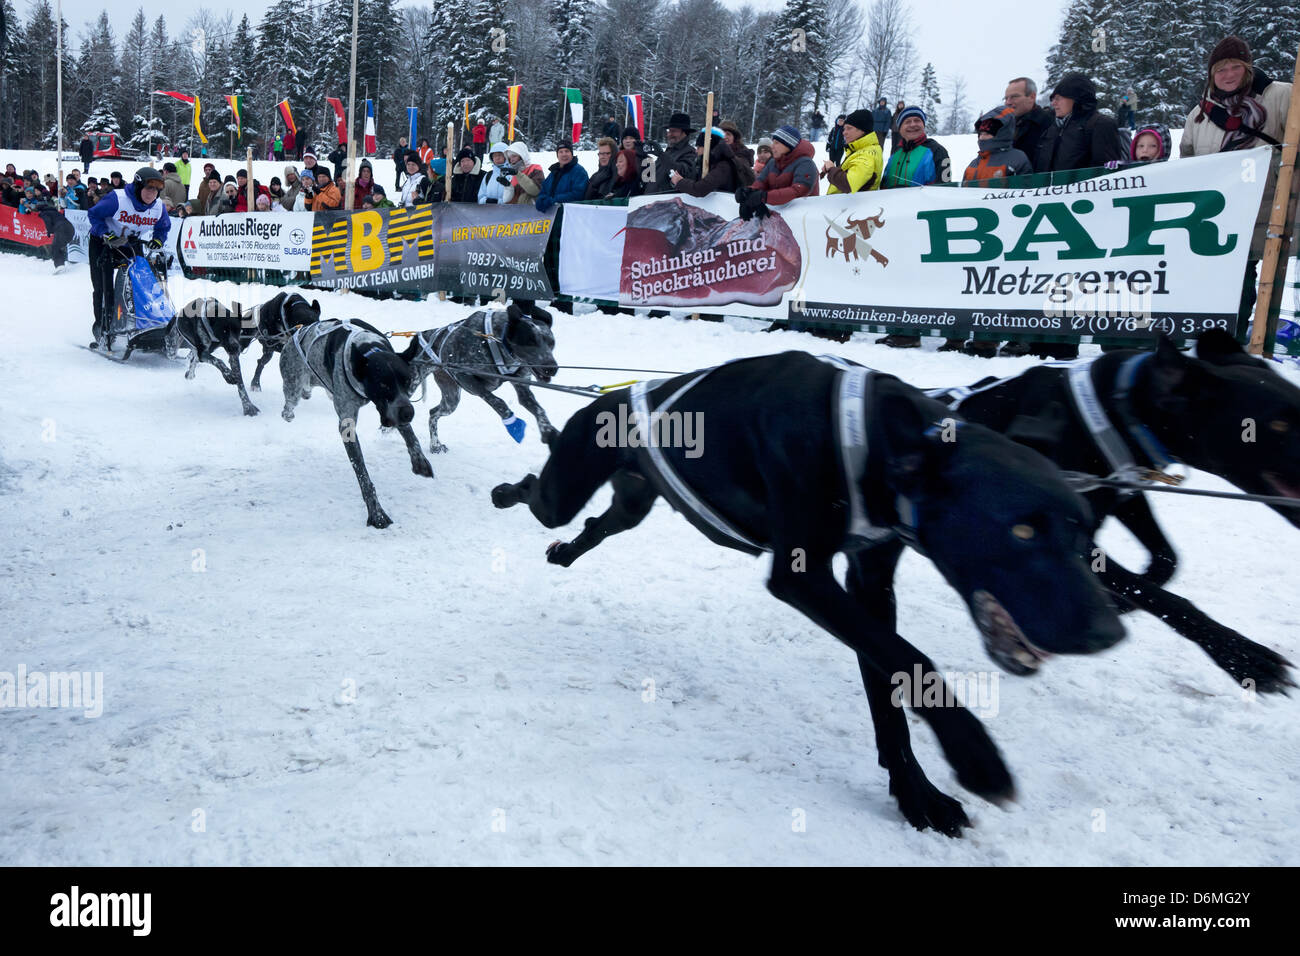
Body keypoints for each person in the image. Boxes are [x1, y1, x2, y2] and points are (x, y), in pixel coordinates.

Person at [1180, 35, 1293, 329]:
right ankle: (1225, 337)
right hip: (1219, 216)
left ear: (1248, 68)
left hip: (1270, 211)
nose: (1228, 75)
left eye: (1235, 67)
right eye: (1220, 69)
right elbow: (1188, 164)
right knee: (1224, 282)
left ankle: (1252, 340)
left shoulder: (1280, 96)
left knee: (1262, 279)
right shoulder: (1199, 115)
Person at [86, 166, 171, 348]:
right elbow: (93, 214)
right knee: (104, 288)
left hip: (131, 244)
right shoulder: (117, 199)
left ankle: (145, 325)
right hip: (103, 243)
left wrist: (158, 239)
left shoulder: (157, 206)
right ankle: (103, 329)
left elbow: (164, 226)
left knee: (142, 284)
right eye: (149, 188)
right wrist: (105, 233)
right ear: (139, 187)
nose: (152, 193)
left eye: (156, 190)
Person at [1036, 72, 1123, 174]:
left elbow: (1107, 175)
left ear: (1076, 99)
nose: (1053, 103)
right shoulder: (1052, 128)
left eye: (1058, 98)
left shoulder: (1100, 125)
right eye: (1053, 99)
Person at [741, 125, 818, 208]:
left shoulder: (806, 163)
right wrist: (749, 191)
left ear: (789, 145)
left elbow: (798, 191)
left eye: (776, 143)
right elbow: (761, 182)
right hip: (780, 213)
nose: (772, 146)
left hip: (803, 217)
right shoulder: (773, 162)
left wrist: (765, 197)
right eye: (772, 142)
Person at [669, 126, 752, 197]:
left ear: (708, 147)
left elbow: (700, 189)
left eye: (698, 147)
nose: (696, 151)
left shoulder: (723, 165)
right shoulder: (712, 162)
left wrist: (680, 182)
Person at [881, 106, 951, 188]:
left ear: (923, 125)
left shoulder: (937, 151)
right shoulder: (895, 153)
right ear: (900, 129)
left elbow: (944, 190)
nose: (913, 124)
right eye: (907, 122)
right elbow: (883, 188)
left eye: (917, 120)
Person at [820, 109, 882, 194]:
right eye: (844, 129)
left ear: (862, 130)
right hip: (846, 204)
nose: (844, 133)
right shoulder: (859, 149)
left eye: (849, 128)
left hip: (851, 206)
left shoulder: (867, 154)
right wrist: (833, 169)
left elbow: (849, 183)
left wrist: (831, 169)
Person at [1004, 77, 1052, 168]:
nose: (1008, 102)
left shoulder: (1049, 125)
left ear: (1032, 97)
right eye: (1006, 98)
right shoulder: (1002, 126)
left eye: (1014, 97)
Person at [648, 112, 696, 194]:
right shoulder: (669, 151)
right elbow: (650, 175)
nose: (669, 134)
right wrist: (640, 156)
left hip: (668, 201)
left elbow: (681, 171)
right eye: (669, 131)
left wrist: (661, 154)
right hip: (651, 199)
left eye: (674, 131)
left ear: (684, 133)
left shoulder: (690, 152)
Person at [535, 140, 589, 212]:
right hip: (551, 215)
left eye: (567, 151)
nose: (564, 154)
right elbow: (544, 189)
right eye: (561, 152)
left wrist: (553, 200)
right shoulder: (554, 172)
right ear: (557, 155)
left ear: (571, 154)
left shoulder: (579, 171)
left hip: (569, 214)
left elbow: (577, 194)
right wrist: (541, 200)